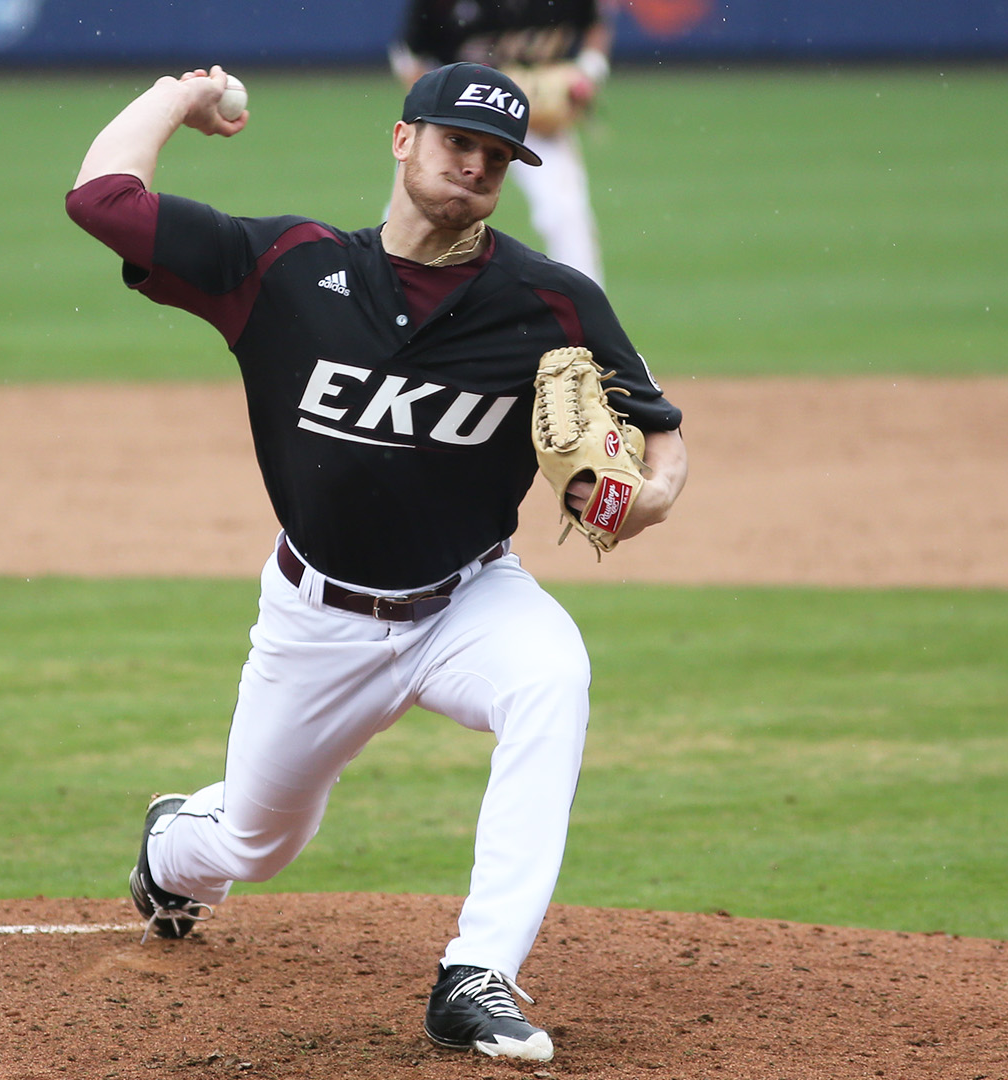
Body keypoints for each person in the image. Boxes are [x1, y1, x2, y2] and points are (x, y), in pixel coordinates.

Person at [66, 61, 687, 1063]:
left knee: (554, 678)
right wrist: (179, 98)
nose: (477, 168)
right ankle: (175, 848)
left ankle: (476, 973)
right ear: (403, 141)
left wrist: (650, 494)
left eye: (497, 157)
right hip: (318, 621)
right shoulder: (283, 270)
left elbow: (661, 430)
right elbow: (103, 201)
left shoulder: (550, 302)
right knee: (254, 843)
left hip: (469, 601)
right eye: (458, 144)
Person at [392, 0, 615, 284]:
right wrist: (433, 112)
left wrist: (589, 72)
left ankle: (586, 310)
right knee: (411, 209)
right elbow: (409, 55)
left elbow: (594, 24)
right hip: (456, 124)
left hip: (536, 124)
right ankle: (395, 292)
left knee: (566, 212)